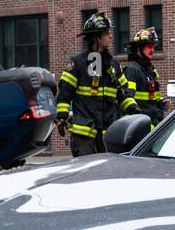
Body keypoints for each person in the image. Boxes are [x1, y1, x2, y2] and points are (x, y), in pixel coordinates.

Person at [56, 13, 139, 156]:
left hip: (106, 136)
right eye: (107, 33)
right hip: (83, 137)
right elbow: (64, 93)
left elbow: (123, 94)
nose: (111, 37)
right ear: (96, 37)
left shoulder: (113, 64)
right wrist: (62, 117)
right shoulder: (78, 62)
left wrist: (135, 111)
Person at [122, 27, 168, 125]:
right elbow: (127, 97)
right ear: (139, 48)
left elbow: (152, 96)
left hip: (154, 123)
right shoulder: (132, 69)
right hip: (140, 126)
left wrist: (160, 102)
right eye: (149, 46)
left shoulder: (149, 70)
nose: (152, 50)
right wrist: (138, 116)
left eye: (153, 46)